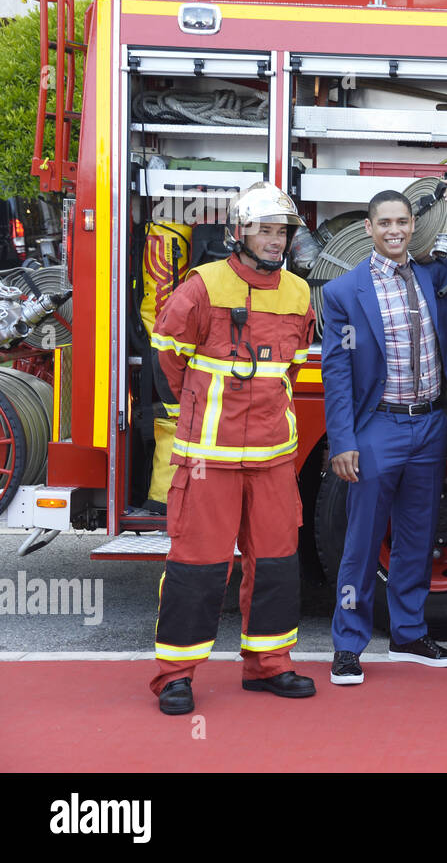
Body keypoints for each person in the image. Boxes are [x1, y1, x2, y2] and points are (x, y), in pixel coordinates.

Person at [321, 187, 447, 686]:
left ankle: (408, 633)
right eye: (384, 222)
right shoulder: (345, 293)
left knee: (416, 536)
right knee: (362, 543)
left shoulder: (437, 277)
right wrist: (343, 441)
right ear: (368, 228)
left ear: (414, 226)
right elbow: (337, 374)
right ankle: (347, 646)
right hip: (378, 426)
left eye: (402, 222)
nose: (394, 231)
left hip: (431, 424)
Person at [149, 182, 316, 715]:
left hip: (272, 455)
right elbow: (168, 360)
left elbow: (290, 367)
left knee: (275, 563)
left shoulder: (298, 291)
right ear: (238, 231)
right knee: (198, 566)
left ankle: (269, 665)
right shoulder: (203, 285)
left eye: (282, 232)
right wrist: (202, 414)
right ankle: (175, 675)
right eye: (265, 230)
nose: (275, 240)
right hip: (208, 459)